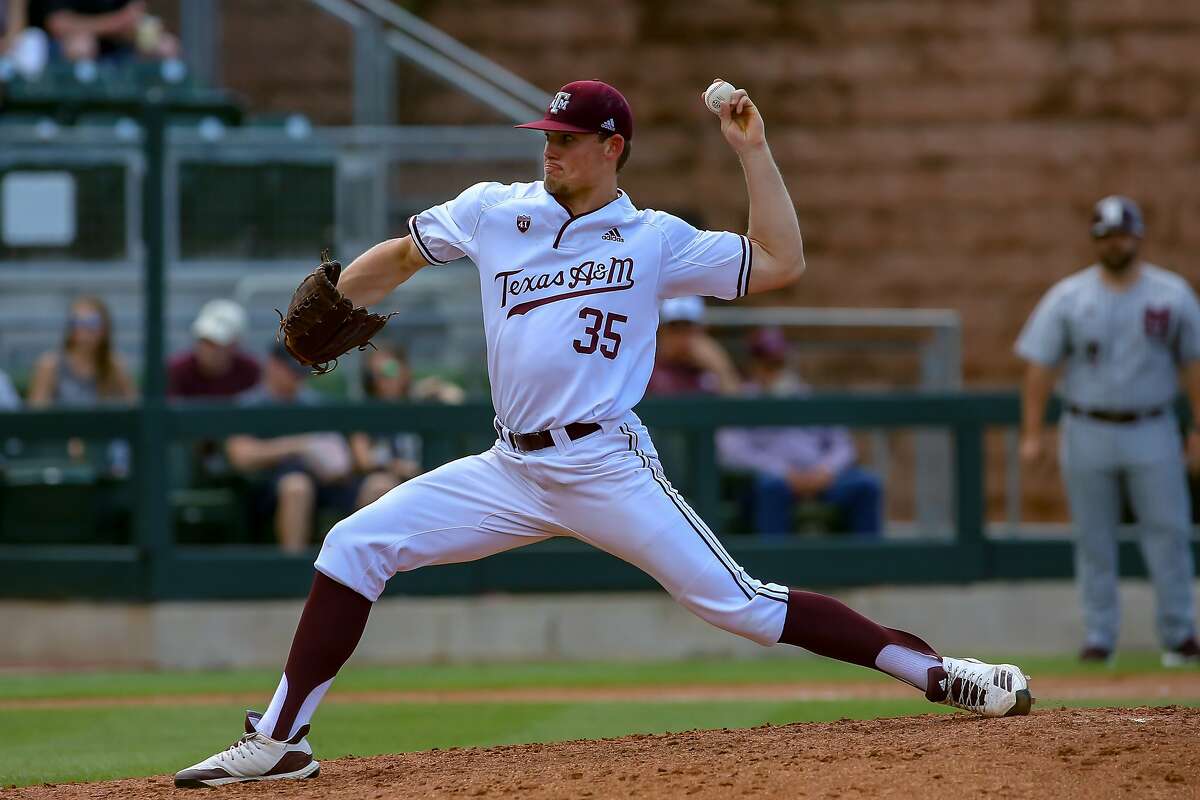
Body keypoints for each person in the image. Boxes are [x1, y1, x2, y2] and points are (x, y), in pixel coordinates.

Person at [175, 78, 1031, 788]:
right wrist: (337, 295)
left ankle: (939, 673)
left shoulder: (652, 239)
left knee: (740, 604)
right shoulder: (494, 211)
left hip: (604, 462)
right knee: (356, 543)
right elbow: (402, 254)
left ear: (612, 145)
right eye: (548, 134)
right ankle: (283, 739)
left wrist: (752, 152)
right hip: (511, 467)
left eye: (569, 137)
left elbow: (779, 263)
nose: (550, 149)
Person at [1017, 195, 1200, 668]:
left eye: (1122, 234)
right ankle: (1100, 635)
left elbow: (1193, 365)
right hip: (1088, 423)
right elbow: (1039, 366)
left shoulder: (1170, 293)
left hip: (1152, 422)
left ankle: (1180, 633)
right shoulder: (1070, 296)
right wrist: (1033, 432)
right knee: (1093, 535)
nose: (1115, 243)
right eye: (1105, 235)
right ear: (1095, 241)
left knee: (1169, 530)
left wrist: (1197, 427)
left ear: (1137, 236)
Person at [226, 344, 391, 554]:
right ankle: (294, 576)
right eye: (291, 369)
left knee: (379, 486)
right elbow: (241, 456)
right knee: (297, 486)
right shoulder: (249, 404)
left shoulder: (317, 402)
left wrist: (338, 463)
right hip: (270, 486)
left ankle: (361, 573)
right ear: (272, 365)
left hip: (327, 481)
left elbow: (350, 446)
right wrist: (299, 446)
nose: (297, 377)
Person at [717, 327, 883, 537]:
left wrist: (826, 470)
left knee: (866, 485)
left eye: (780, 362)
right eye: (769, 363)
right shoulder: (743, 401)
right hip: (774, 482)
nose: (776, 370)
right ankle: (774, 568)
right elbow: (731, 451)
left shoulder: (807, 397)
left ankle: (866, 566)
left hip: (821, 479)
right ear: (753, 364)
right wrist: (783, 472)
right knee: (769, 488)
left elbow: (843, 445)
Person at [349, 342, 465, 504]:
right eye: (373, 375)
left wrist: (425, 390)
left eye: (388, 370)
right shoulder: (366, 409)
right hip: (383, 479)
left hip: (423, 477)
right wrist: (396, 465)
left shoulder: (417, 400)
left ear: (404, 370)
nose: (382, 380)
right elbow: (363, 459)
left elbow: (455, 397)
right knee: (380, 485)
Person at [28, 0, 179, 63]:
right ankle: (80, 116)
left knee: (166, 45)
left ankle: (150, 112)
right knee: (82, 45)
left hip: (118, 44)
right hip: (61, 49)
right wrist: (115, 23)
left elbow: (135, 16)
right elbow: (57, 24)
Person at [646, 296, 740, 396]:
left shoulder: (711, 370)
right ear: (660, 331)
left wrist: (721, 369)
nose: (681, 338)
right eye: (675, 329)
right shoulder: (646, 368)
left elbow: (738, 407)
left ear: (702, 331)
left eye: (688, 330)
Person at [168, 299, 261, 399]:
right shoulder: (177, 372)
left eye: (217, 344)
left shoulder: (250, 371)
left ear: (235, 345)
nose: (208, 350)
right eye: (204, 341)